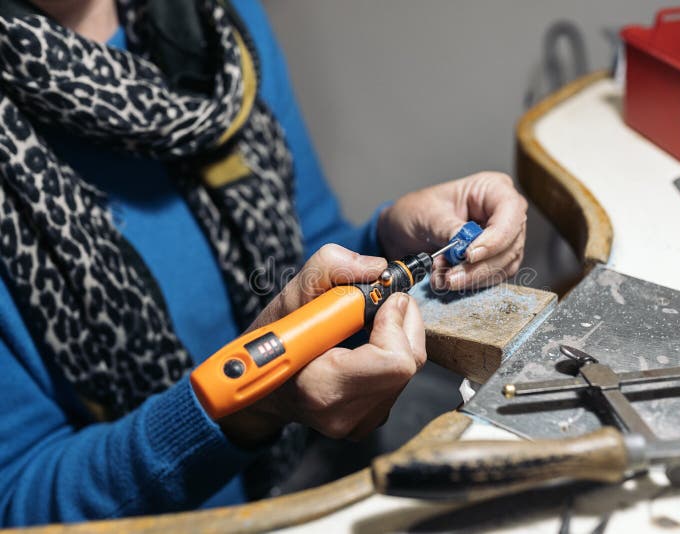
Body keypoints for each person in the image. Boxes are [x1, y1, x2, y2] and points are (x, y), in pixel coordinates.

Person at [0, 0, 527, 526]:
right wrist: (248, 411)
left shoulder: (213, 26)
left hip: (320, 458)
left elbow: (307, 253)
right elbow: (19, 505)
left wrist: (385, 235)